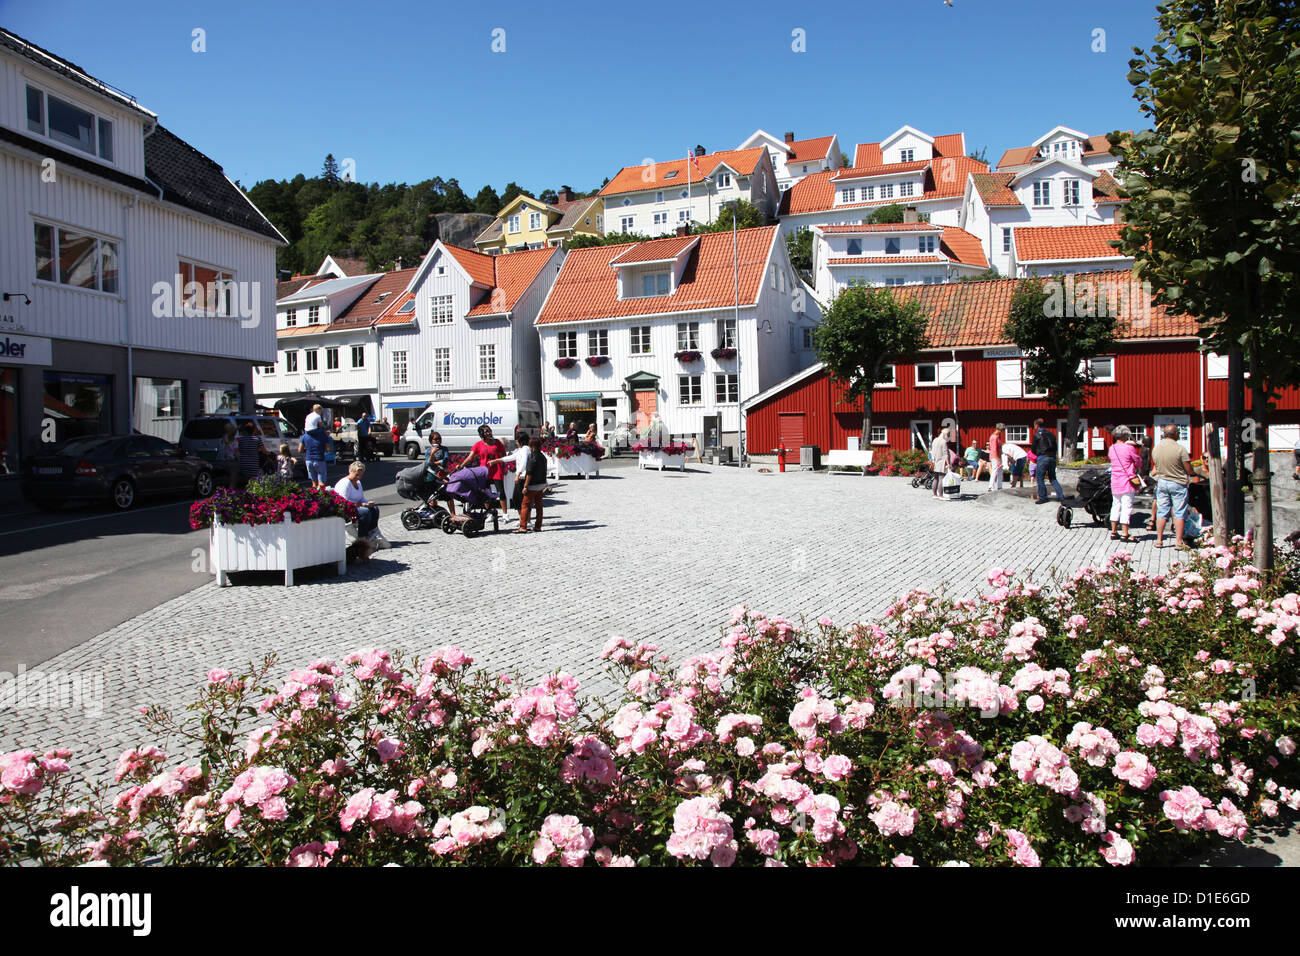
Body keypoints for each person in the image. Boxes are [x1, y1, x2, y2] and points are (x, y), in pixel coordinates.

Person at [1151, 424, 1193, 550]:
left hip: (1162, 481)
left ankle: (1159, 540)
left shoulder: (1156, 448)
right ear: (1175, 434)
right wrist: (1192, 473)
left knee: (1162, 511)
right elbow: (1188, 468)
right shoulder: (1180, 449)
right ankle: (1179, 542)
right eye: (1178, 432)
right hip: (1178, 482)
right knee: (1179, 512)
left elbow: (1156, 466)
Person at [462, 423, 509, 519]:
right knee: (486, 492)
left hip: (497, 470)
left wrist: (504, 467)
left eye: (489, 430)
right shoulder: (478, 445)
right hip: (484, 471)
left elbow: (503, 455)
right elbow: (470, 457)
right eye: (486, 431)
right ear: (481, 433)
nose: (489, 432)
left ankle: (505, 514)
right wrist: (461, 465)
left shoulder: (497, 442)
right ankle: (489, 513)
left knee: (501, 492)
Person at [1107, 425, 1143, 542]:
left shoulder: (1112, 448)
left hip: (1115, 480)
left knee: (1115, 505)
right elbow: (1138, 462)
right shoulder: (1129, 448)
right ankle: (1125, 533)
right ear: (1124, 435)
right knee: (1126, 506)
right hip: (1127, 481)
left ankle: (1113, 531)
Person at [335, 461, 380, 539]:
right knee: (365, 512)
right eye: (357, 475)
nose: (358, 477)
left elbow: (361, 497)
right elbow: (344, 502)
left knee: (374, 509)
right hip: (346, 508)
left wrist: (367, 503)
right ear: (351, 471)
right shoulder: (344, 483)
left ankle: (372, 532)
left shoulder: (358, 482)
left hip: (355, 506)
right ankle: (362, 536)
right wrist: (362, 504)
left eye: (360, 475)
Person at [516, 435, 550, 533]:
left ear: (532, 446)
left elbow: (529, 473)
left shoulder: (532, 456)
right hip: (541, 484)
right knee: (539, 506)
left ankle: (523, 526)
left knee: (525, 505)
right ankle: (538, 526)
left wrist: (525, 486)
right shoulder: (543, 456)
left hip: (532, 485)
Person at [1030, 418, 1066, 504]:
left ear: (1037, 426)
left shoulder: (1037, 435)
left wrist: (1038, 454)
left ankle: (1043, 497)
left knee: (1040, 478)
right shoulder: (1051, 434)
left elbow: (1033, 449)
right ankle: (1061, 496)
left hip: (1043, 457)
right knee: (1053, 478)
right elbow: (1055, 446)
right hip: (1052, 457)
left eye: (1034, 425)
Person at [234, 421, 266, 489]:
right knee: (255, 480)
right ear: (254, 430)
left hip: (243, 463)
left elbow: (237, 450)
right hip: (254, 463)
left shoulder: (241, 439)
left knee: (246, 480)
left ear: (245, 430)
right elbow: (264, 451)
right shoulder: (257, 439)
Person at [301, 418, 329, 490]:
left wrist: (307, 449)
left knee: (313, 482)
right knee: (321, 481)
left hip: (308, 459)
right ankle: (322, 497)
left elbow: (300, 450)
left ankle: (314, 496)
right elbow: (329, 448)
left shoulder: (305, 435)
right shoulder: (323, 434)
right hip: (319, 459)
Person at [929, 426, 950, 499]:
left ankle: (934, 494)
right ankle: (941, 495)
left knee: (935, 478)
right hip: (941, 462)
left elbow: (932, 451)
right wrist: (948, 464)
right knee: (941, 478)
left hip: (935, 461)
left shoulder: (935, 440)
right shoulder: (943, 442)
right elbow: (945, 454)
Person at [219, 422, 239, 487]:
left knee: (226, 480)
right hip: (232, 461)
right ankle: (230, 494)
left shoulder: (223, 439)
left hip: (223, 460)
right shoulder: (234, 441)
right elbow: (236, 452)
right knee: (233, 481)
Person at [987, 424, 1005, 490]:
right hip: (995, 456)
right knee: (995, 470)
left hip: (998, 455)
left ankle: (999, 486)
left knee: (1000, 471)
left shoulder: (997, 436)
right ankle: (991, 486)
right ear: (999, 429)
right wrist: (998, 460)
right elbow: (994, 449)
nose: (1002, 432)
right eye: (1002, 430)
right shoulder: (994, 437)